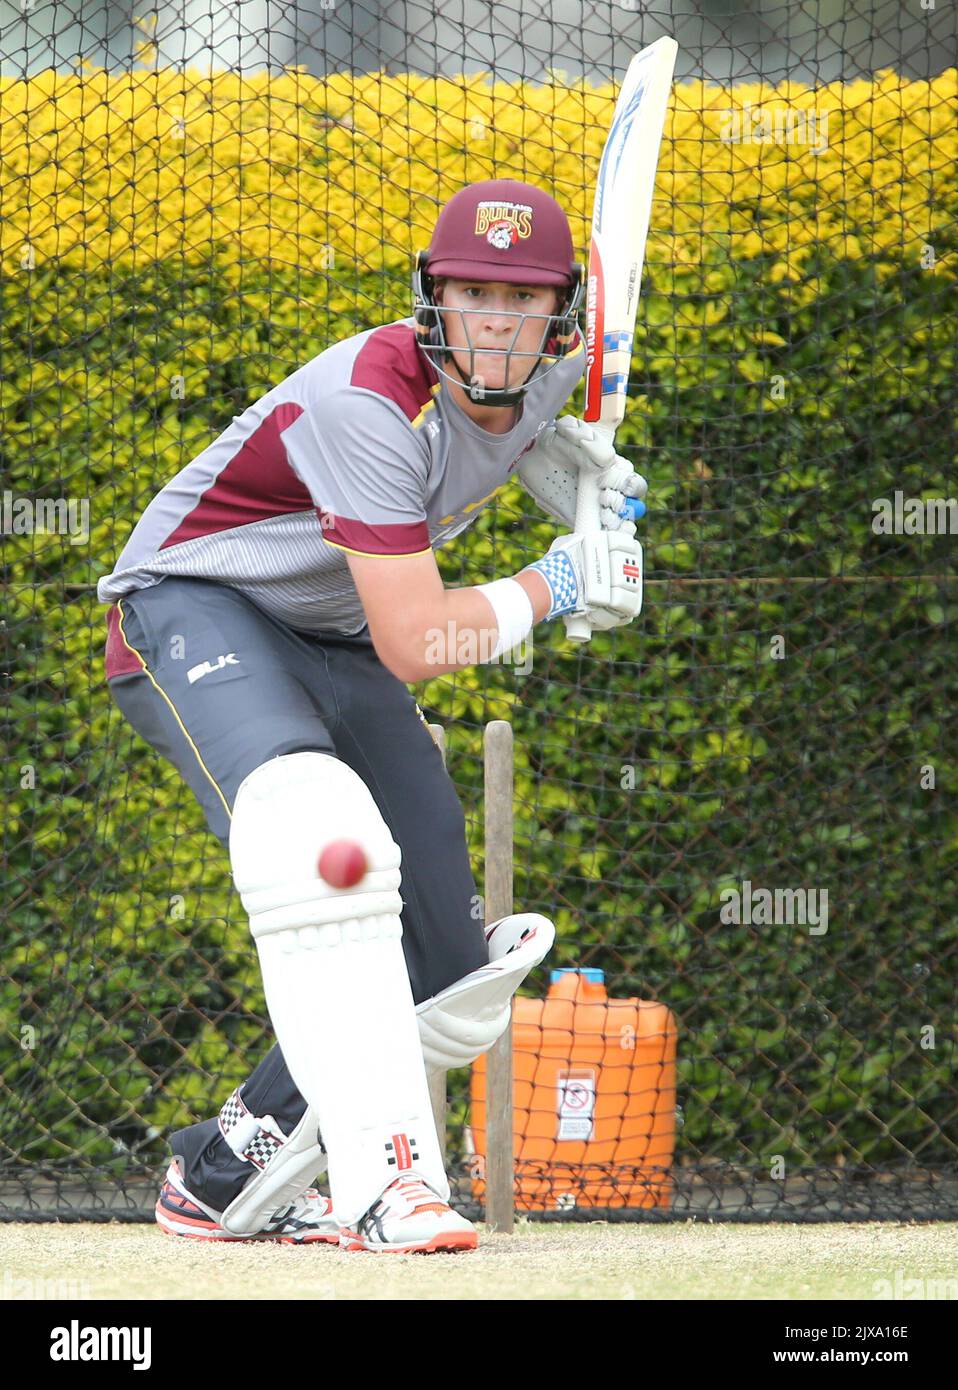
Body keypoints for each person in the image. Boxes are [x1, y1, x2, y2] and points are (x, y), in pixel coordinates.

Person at [97, 178, 646, 1254]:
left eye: (523, 299)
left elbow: (512, 448)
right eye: (472, 292)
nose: (496, 320)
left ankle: (217, 1174)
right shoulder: (366, 401)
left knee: (448, 977)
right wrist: (557, 584)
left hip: (333, 633)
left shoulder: (552, 381)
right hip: (199, 605)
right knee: (315, 835)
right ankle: (390, 1185)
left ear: (562, 316)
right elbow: (418, 642)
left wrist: (574, 477)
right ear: (430, 299)